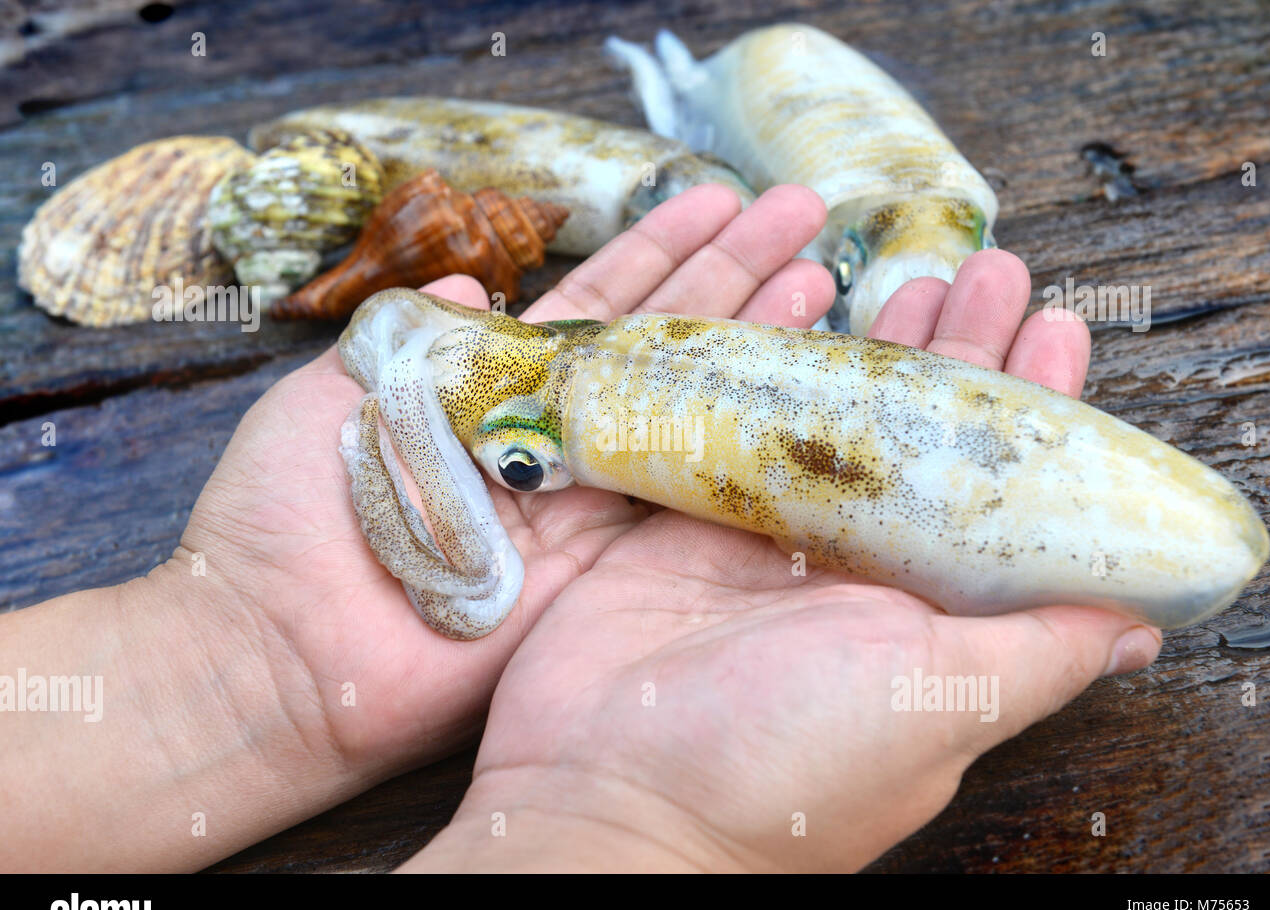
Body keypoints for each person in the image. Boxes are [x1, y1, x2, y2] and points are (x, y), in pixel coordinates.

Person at [0, 185, 1160, 872]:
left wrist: (230, 655)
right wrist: (647, 833)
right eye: (517, 468)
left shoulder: (445, 383)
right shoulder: (417, 395)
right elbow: (395, 395)